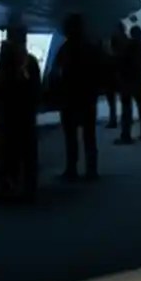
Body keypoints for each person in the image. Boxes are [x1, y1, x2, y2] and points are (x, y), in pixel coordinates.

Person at [0, 28, 42, 200]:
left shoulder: (6, 65)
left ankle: (9, 187)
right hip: (25, 116)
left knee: (8, 154)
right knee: (27, 153)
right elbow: (36, 89)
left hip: (7, 117)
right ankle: (28, 188)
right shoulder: (30, 61)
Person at [49, 14, 101, 181]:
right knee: (89, 134)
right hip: (87, 96)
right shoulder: (90, 47)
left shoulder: (65, 48)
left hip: (70, 96)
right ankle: (91, 169)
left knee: (71, 135)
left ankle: (72, 168)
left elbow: (56, 72)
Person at [115, 25, 141, 144]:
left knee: (127, 109)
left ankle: (126, 135)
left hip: (128, 81)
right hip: (139, 81)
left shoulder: (128, 47)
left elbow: (122, 63)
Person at [100, 23, 126, 129]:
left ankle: (114, 119)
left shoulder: (111, 40)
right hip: (118, 73)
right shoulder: (123, 40)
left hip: (112, 73)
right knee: (123, 99)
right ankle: (123, 119)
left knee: (112, 99)